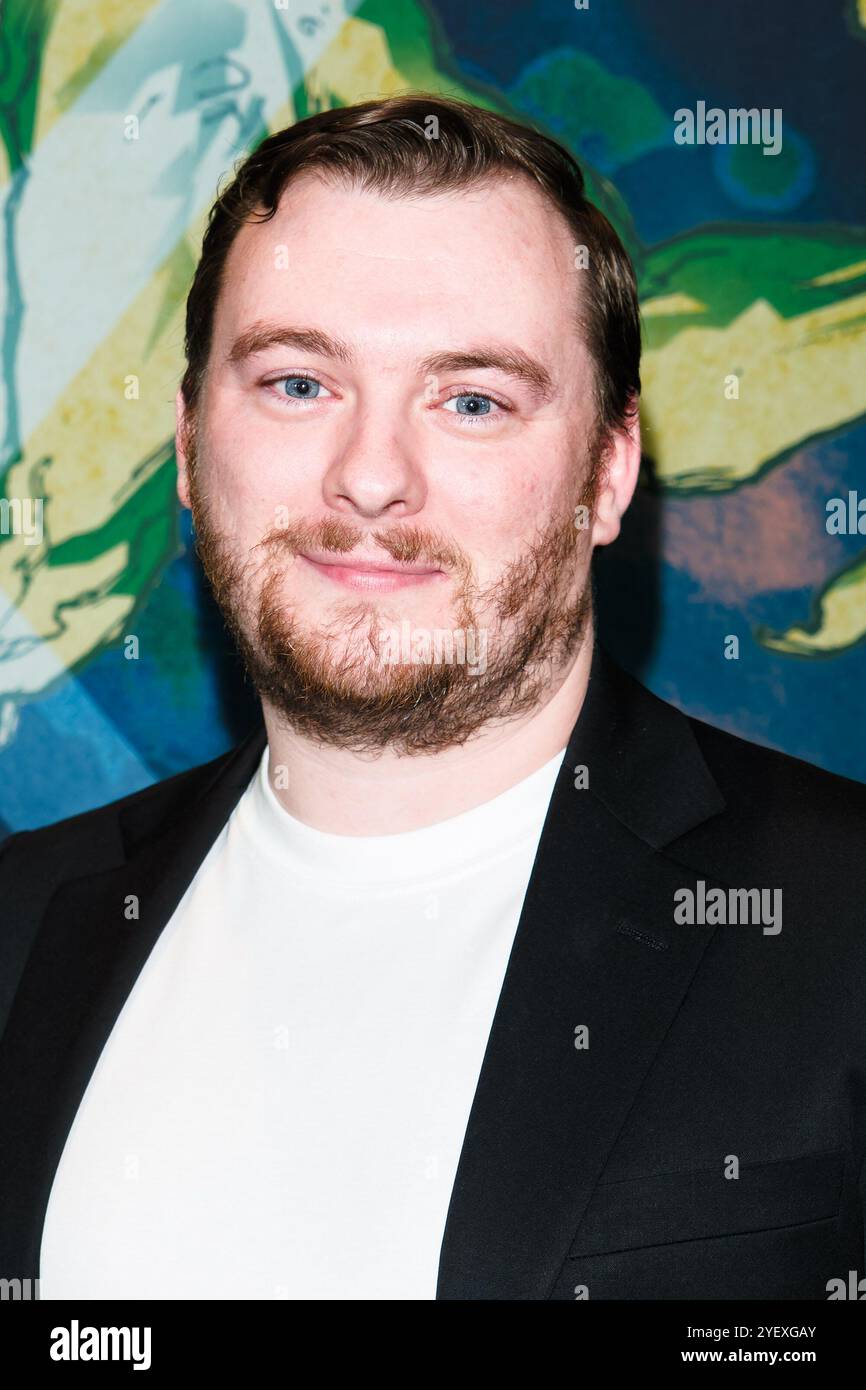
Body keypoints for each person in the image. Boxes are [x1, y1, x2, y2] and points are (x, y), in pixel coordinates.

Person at [1, 94, 864, 1302]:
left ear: (607, 473)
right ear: (191, 447)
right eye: (298, 382)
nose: (368, 477)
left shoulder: (837, 922)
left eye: (471, 401)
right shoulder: (22, 922)